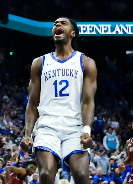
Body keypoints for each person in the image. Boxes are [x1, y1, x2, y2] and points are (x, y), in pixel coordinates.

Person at [21, 18, 98, 184]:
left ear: (73, 33)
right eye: (55, 23)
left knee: (80, 175)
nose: (57, 25)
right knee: (46, 175)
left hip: (74, 125)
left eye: (63, 23)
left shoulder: (86, 63)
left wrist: (87, 131)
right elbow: (32, 103)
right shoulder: (39, 63)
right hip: (47, 125)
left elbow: (88, 101)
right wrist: (27, 134)